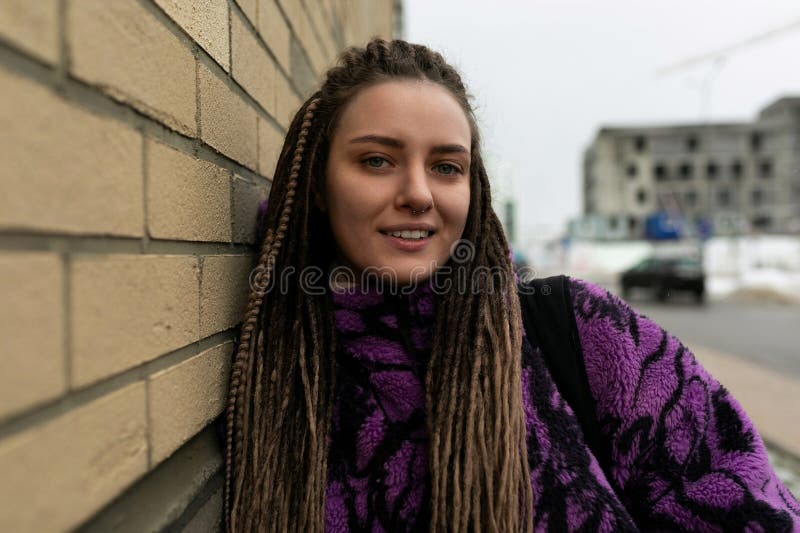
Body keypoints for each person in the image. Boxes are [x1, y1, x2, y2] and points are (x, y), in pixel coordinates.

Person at [222, 38, 800, 532]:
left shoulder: (583, 334)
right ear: (318, 185)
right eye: (377, 160)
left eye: (447, 167)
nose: (418, 193)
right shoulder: (278, 367)